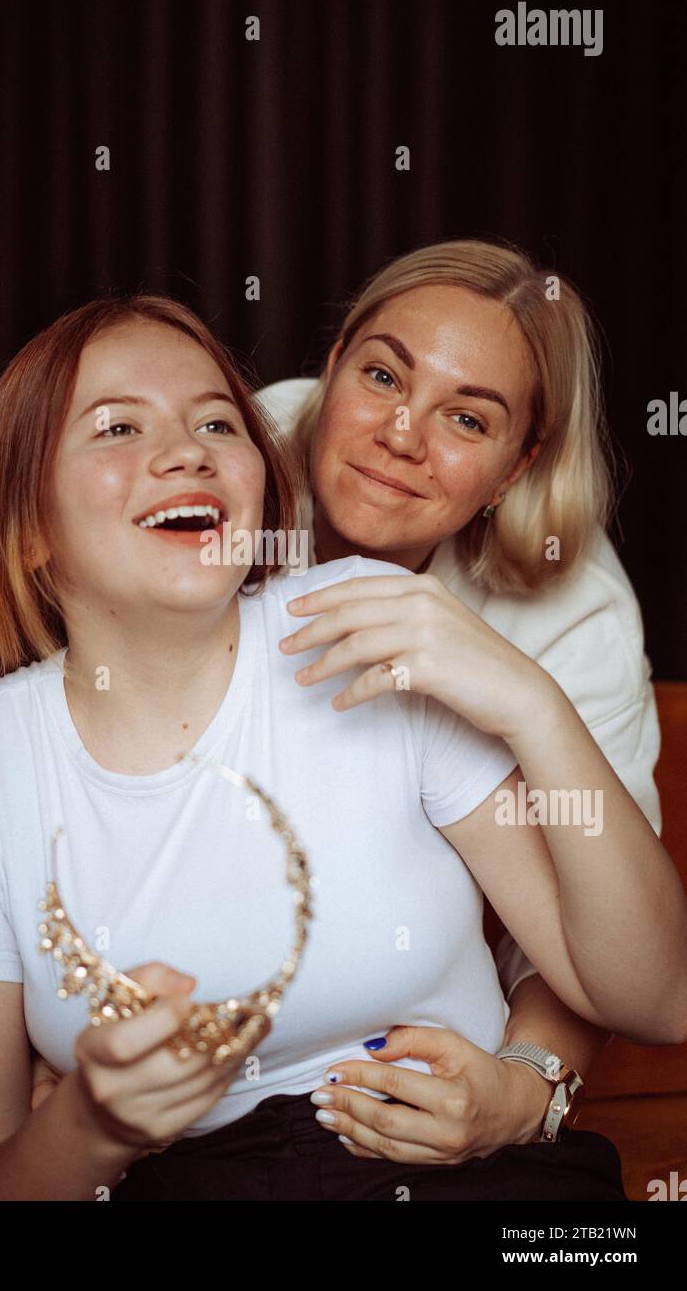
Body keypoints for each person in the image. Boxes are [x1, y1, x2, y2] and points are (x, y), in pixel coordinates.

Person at [0, 293, 687, 1203]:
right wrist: (86, 1133)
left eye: (217, 421)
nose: (185, 450)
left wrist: (533, 705)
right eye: (117, 428)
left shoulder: (367, 621)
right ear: (26, 529)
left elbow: (660, 999)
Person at [247, 237, 666, 1162]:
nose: (402, 436)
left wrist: (528, 1084)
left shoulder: (574, 600)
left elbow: (641, 979)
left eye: (468, 421)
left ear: (521, 465)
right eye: (384, 376)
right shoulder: (235, 455)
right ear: (332, 364)